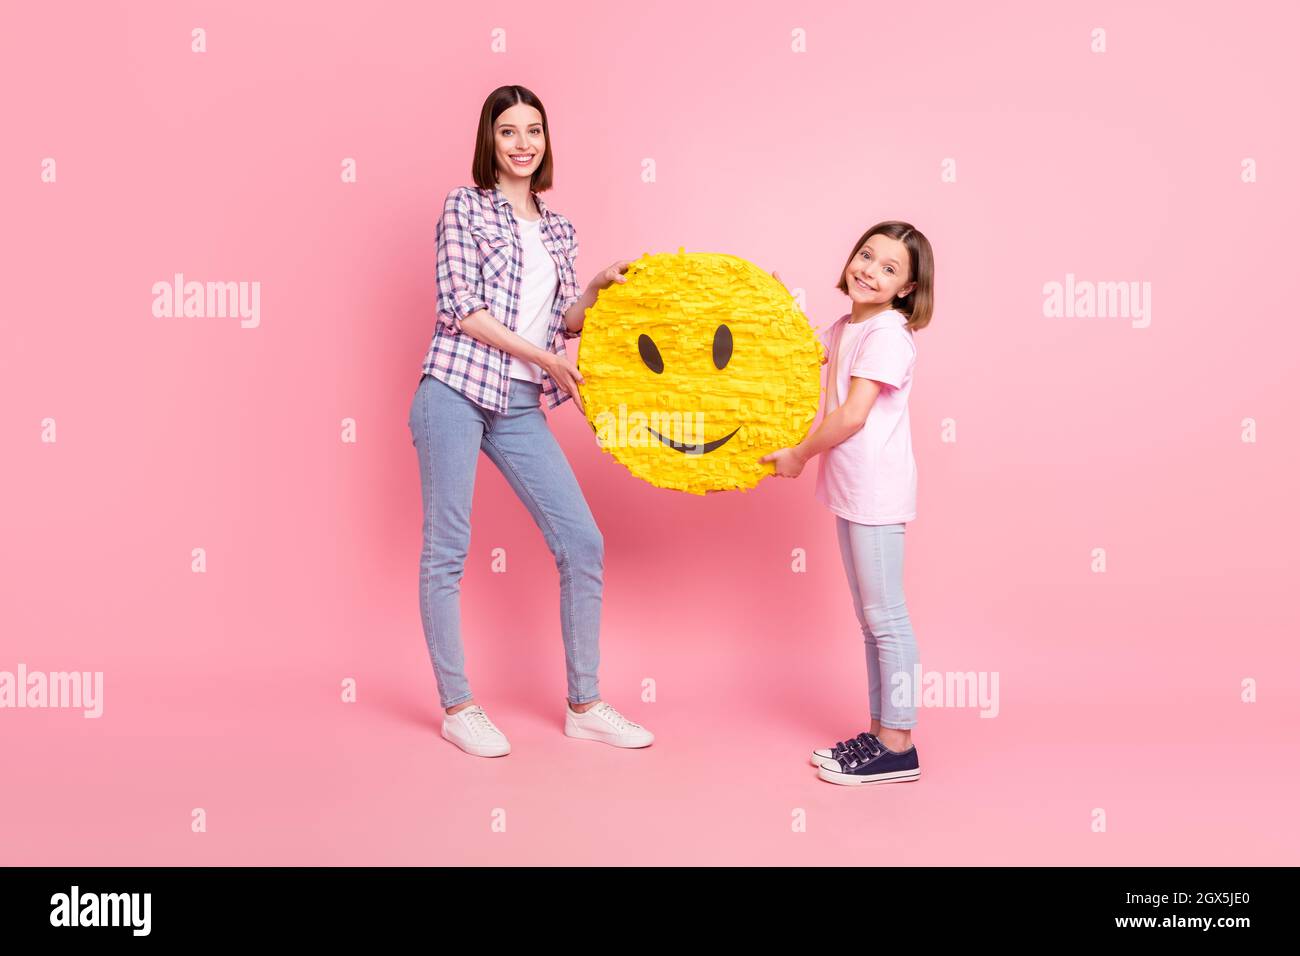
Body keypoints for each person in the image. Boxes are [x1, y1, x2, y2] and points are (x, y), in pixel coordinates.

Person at [408, 84, 653, 757]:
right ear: (489, 140)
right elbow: (464, 309)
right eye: (509, 131)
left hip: (517, 405)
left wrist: (594, 291)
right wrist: (546, 356)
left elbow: (558, 323)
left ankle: (585, 703)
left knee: (583, 543)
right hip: (454, 389)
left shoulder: (560, 228)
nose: (522, 144)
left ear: (546, 140)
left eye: (534, 131)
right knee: (447, 551)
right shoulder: (464, 207)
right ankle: (459, 707)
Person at [762, 222, 935, 785]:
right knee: (870, 620)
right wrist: (771, 302)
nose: (870, 270)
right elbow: (798, 352)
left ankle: (900, 744)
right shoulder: (847, 325)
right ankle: (882, 731)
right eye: (867, 256)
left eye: (890, 269)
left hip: (876, 493)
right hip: (853, 490)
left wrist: (800, 455)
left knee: (887, 619)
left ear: (907, 289)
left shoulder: (887, 333)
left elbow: (853, 415)